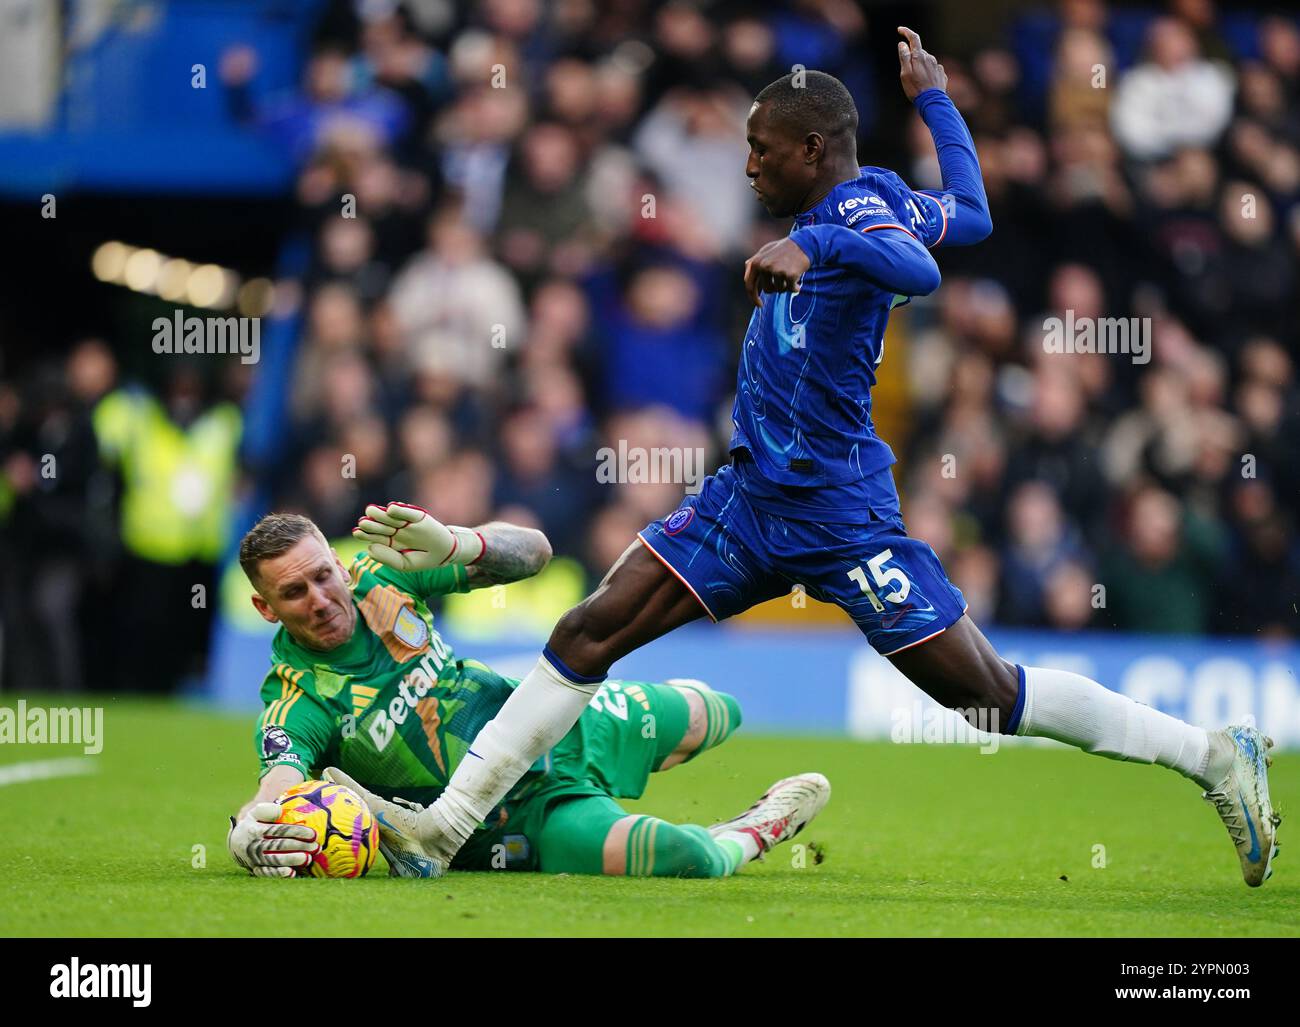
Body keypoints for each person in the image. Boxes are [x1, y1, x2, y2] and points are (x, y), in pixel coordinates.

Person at [359, 28, 1278, 888]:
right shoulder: (871, 196)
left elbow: (923, 266)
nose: (749, 164)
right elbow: (970, 213)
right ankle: (444, 829)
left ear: (812, 151)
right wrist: (940, 105)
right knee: (587, 633)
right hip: (746, 498)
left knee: (986, 693)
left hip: (840, 515)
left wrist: (817, 240)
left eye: (762, 149)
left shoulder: (861, 215)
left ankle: (1211, 755)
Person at [226, 508, 828, 879]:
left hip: (554, 721)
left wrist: (464, 544)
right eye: (294, 592)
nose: (320, 598)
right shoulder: (298, 698)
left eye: (322, 575)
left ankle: (634, 738)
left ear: (339, 561)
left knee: (717, 713)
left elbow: (536, 552)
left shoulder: (385, 577)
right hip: (517, 821)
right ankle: (750, 831)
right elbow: (279, 778)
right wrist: (249, 826)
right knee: (686, 859)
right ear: (265, 608)